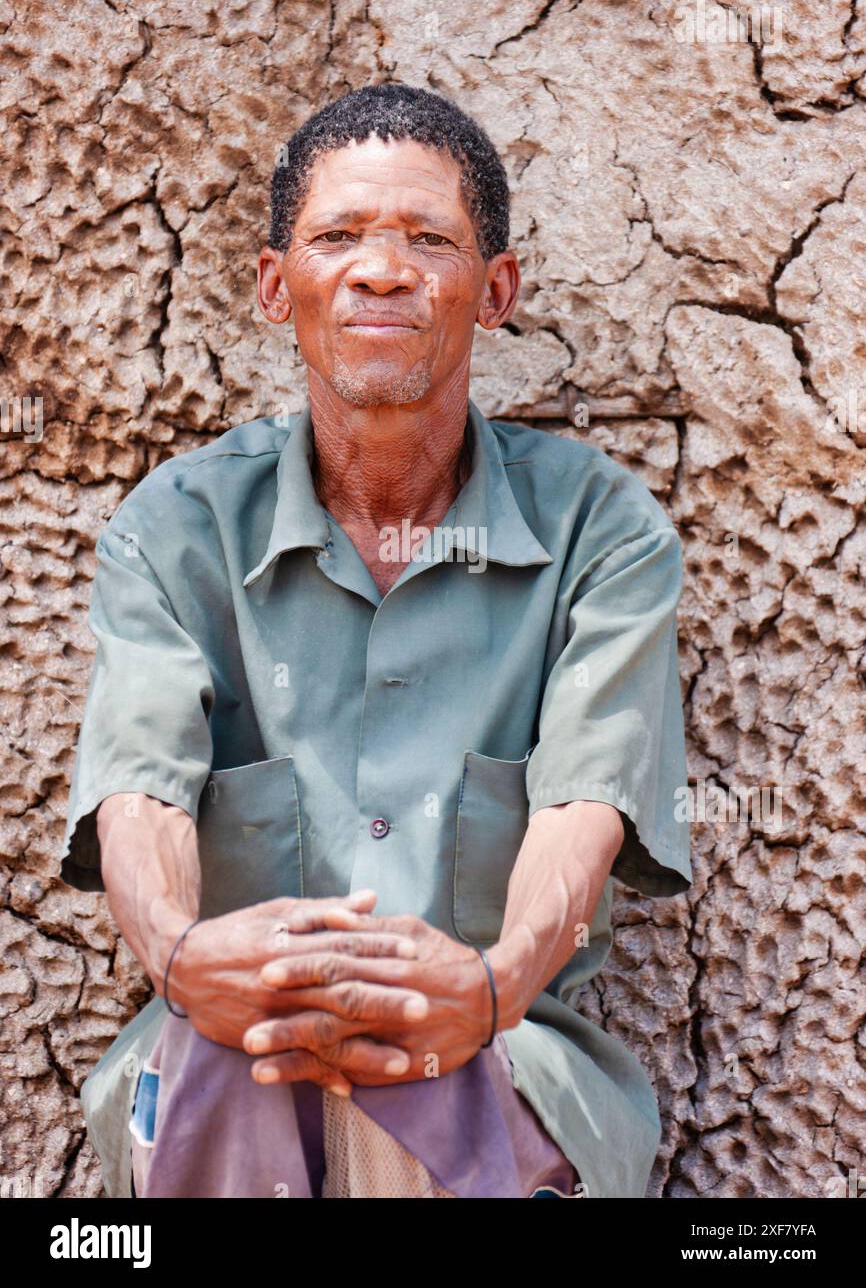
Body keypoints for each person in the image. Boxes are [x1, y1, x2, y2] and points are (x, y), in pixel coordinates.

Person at [61, 81, 693, 1200]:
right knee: (235, 1051)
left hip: (501, 1057)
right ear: (275, 288)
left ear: (494, 290)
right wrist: (184, 960)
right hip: (224, 1060)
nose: (381, 268)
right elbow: (138, 797)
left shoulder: (600, 532)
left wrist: (487, 989)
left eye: (427, 240)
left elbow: (580, 815)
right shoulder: (176, 531)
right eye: (339, 236)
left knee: (422, 1068)